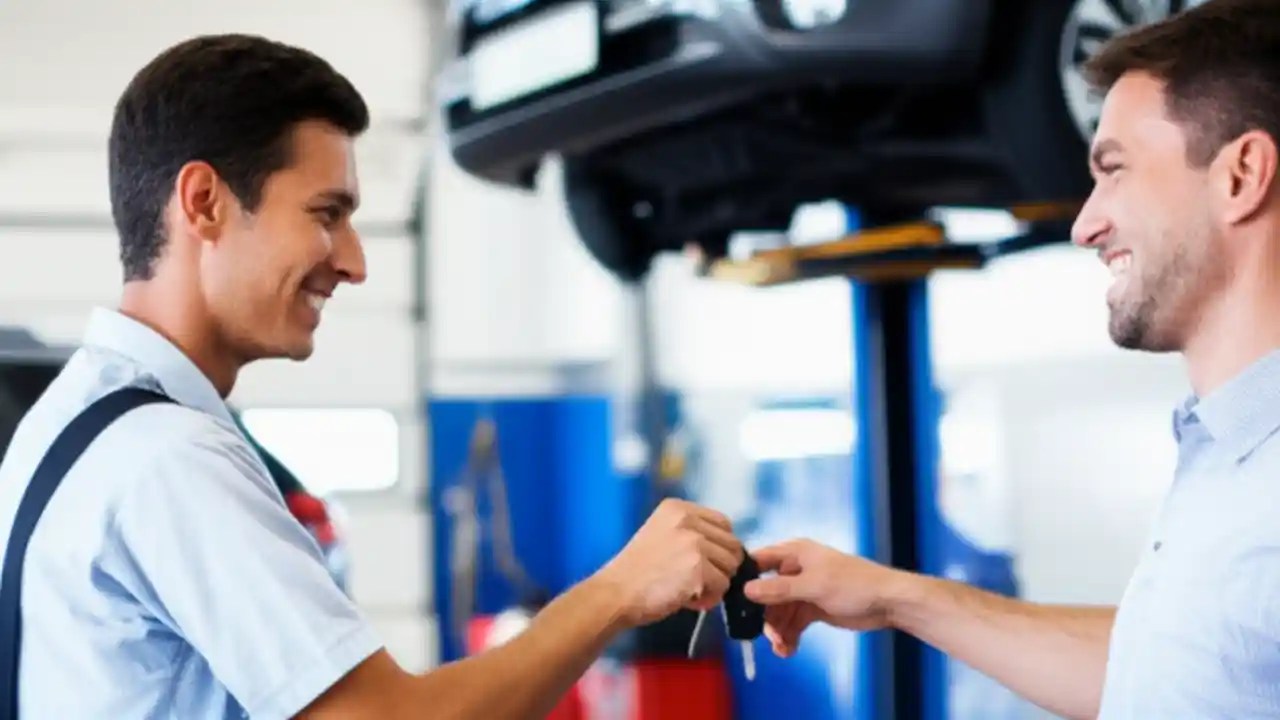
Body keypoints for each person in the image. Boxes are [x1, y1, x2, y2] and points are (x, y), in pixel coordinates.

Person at [0, 34, 744, 719]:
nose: (354, 261)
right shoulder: (170, 458)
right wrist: (619, 591)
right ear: (204, 202)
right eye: (326, 214)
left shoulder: (69, 419)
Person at [743, 1, 1280, 718]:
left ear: (1240, 175)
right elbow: (1175, 665)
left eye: (1114, 169)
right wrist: (893, 596)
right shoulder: (1225, 450)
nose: (1086, 225)